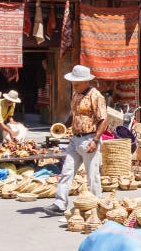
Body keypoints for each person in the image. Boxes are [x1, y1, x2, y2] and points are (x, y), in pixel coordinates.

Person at [44, 65, 107, 216]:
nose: (75, 86)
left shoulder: (95, 96)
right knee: (67, 171)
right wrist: (64, 126)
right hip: (75, 138)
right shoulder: (76, 94)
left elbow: (103, 120)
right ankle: (60, 204)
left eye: (77, 83)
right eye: (74, 83)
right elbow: (74, 114)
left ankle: (97, 204)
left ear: (86, 81)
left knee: (92, 174)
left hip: (89, 138)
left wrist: (95, 140)